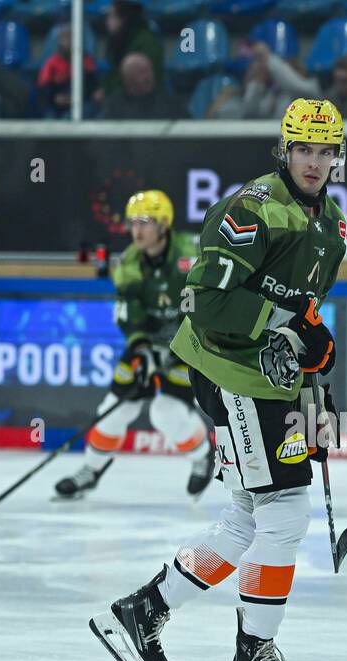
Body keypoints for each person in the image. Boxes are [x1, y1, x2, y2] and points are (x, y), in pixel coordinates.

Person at [88, 99, 347, 661]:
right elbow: (206, 306)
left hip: (267, 386)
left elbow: (303, 317)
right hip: (230, 374)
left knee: (247, 520)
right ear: (283, 151)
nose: (313, 162)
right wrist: (289, 329)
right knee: (284, 511)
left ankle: (142, 613)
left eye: (325, 150)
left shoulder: (331, 226)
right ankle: (253, 656)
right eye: (303, 149)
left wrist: (314, 384)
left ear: (338, 156)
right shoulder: (252, 209)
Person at [55, 190, 214, 500]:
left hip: (194, 344)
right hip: (152, 344)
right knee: (114, 408)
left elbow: (207, 305)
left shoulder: (190, 254)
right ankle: (91, 468)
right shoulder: (128, 263)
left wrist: (178, 350)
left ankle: (202, 455)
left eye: (145, 222)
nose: (136, 231)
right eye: (132, 223)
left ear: (164, 225)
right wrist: (142, 351)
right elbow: (130, 315)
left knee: (165, 411)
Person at [96, 0, 165, 103]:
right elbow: (115, 74)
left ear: (123, 19)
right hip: (120, 100)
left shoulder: (146, 42)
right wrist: (106, 90)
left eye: (111, 16)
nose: (107, 22)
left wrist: (108, 92)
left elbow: (149, 80)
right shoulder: (120, 41)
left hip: (145, 103)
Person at [37, 17, 97, 119]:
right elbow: (43, 87)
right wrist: (54, 98)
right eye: (62, 38)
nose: (65, 42)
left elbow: (93, 86)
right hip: (57, 106)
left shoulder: (86, 61)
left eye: (68, 37)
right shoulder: (52, 63)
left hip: (82, 104)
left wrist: (86, 96)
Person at [100, 52, 183, 120]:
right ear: (127, 77)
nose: (148, 76)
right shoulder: (114, 106)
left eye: (150, 70)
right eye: (142, 72)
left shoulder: (169, 103)